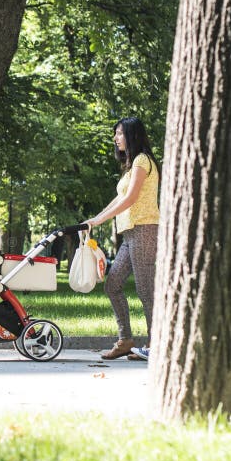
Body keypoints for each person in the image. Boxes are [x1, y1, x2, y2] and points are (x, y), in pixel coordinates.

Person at [84, 117, 160, 361]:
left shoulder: (142, 160)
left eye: (120, 133)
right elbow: (120, 198)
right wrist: (94, 219)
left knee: (146, 290)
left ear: (132, 135)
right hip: (130, 233)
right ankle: (126, 340)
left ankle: (157, 345)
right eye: (115, 134)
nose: (115, 138)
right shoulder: (132, 165)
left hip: (144, 229)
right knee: (113, 284)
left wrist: (100, 220)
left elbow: (131, 198)